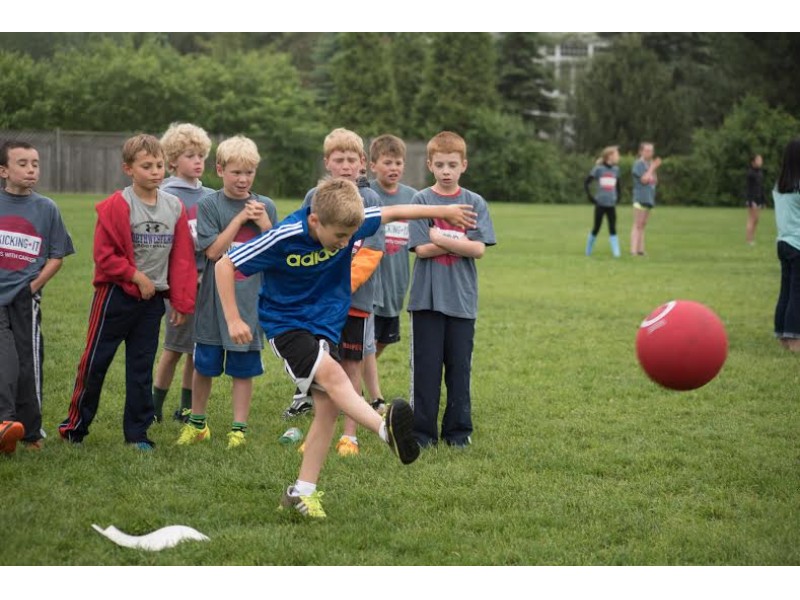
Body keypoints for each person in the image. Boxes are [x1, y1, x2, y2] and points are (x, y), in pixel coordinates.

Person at [217, 177, 476, 518]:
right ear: (314, 221)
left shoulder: (350, 221)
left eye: (348, 237)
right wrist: (234, 319)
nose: (343, 243)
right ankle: (386, 431)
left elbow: (396, 209)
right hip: (287, 325)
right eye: (338, 236)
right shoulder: (285, 236)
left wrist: (443, 210)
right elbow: (225, 264)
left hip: (325, 324)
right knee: (336, 379)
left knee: (328, 407)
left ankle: (301, 493)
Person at [58, 134, 196, 449]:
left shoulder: (174, 207)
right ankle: (74, 427)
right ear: (128, 169)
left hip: (151, 304)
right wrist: (136, 277)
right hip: (115, 297)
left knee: (141, 368)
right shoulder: (116, 206)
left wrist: (180, 299)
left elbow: (183, 259)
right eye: (146, 166)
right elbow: (104, 256)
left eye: (160, 165)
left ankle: (137, 433)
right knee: (95, 362)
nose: (155, 171)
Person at [175, 136, 276, 449]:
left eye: (249, 173)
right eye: (236, 173)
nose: (243, 180)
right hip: (213, 303)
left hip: (249, 304)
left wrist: (264, 223)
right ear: (219, 169)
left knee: (243, 370)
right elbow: (213, 253)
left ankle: (238, 429)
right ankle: (198, 424)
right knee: (203, 365)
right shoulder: (208, 205)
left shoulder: (266, 205)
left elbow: (276, 253)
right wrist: (239, 219)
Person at [290, 129, 384, 458]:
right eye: (338, 159)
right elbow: (302, 243)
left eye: (352, 160)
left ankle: (350, 435)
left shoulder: (371, 200)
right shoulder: (313, 197)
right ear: (327, 162)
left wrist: (342, 286)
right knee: (322, 366)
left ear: (363, 164)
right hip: (318, 303)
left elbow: (372, 251)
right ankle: (319, 433)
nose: (345, 166)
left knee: (351, 365)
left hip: (354, 302)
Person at [408, 131, 496, 449]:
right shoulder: (421, 201)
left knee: (459, 368)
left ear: (464, 166)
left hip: (461, 299)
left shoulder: (474, 203)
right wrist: (458, 242)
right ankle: (422, 433)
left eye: (452, 165)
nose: (446, 171)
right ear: (430, 164)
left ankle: (458, 432)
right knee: (427, 370)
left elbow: (479, 250)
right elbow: (420, 249)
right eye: (440, 164)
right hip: (426, 300)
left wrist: (442, 238)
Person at [0, 141, 74, 454]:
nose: (31, 169)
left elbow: (57, 256)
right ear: (3, 171)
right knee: (5, 358)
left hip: (24, 299)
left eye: (35, 163)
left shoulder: (46, 209)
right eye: (22, 163)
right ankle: (5, 422)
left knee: (28, 363)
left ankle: (29, 432)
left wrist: (33, 287)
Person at [152, 123, 214, 423]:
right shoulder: (164, 195)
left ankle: (186, 408)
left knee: (198, 348)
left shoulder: (212, 196)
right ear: (173, 160)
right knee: (175, 347)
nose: (198, 161)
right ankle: (154, 407)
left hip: (209, 283)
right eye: (190, 155)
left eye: (201, 155)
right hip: (180, 286)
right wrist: (178, 286)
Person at [366, 134, 418, 408]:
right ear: (373, 165)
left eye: (398, 162)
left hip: (398, 285)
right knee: (366, 341)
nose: (393, 168)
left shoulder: (412, 197)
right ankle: (369, 394)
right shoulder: (368, 195)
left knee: (382, 340)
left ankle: (347, 377)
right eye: (387, 162)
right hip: (370, 284)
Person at [772, 138, 800, 352]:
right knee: (797, 293)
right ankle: (795, 340)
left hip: (783, 242)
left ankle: (782, 334)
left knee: (786, 291)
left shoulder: (779, 185)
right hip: (798, 244)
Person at [584, 145, 622, 258]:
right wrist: (590, 197)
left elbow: (618, 185)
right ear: (609, 156)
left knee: (613, 227)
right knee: (596, 227)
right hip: (600, 204)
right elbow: (586, 182)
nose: (618, 157)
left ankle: (616, 253)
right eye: (616, 154)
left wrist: (618, 197)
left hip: (611, 204)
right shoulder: (598, 169)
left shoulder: (616, 170)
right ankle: (588, 250)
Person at [630, 142, 661, 256]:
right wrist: (652, 168)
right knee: (637, 224)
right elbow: (644, 180)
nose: (650, 153)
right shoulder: (638, 164)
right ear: (641, 152)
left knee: (643, 224)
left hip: (649, 198)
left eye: (651, 151)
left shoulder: (650, 165)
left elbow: (654, 181)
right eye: (647, 150)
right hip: (640, 197)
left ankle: (641, 250)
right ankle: (633, 250)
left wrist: (652, 168)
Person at [745, 154, 767, 245]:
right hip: (752, 199)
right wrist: (751, 201)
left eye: (761, 160)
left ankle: (752, 238)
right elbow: (749, 189)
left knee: (756, 219)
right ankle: (749, 240)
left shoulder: (759, 173)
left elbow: (760, 188)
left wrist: (763, 200)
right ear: (753, 162)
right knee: (752, 219)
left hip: (758, 199)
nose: (760, 161)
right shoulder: (750, 173)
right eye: (758, 160)